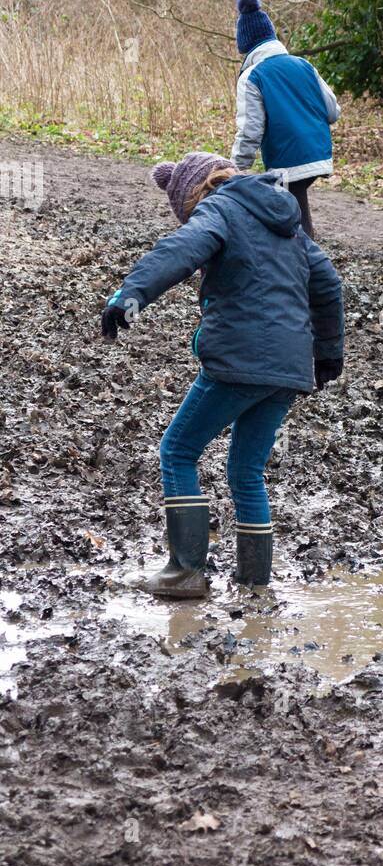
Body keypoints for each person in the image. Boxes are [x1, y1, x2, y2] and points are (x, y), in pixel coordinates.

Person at [100, 151, 344, 597]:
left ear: (194, 194)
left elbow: (182, 249)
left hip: (241, 359)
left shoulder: (218, 209)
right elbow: (328, 284)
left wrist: (128, 294)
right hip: (290, 368)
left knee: (177, 450)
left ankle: (185, 572)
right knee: (246, 469)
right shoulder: (289, 225)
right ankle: (253, 584)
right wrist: (328, 353)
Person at [230, 0, 341, 238]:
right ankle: (304, 261)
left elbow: (250, 129)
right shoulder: (304, 65)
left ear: (246, 45)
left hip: (287, 158)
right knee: (295, 209)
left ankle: (305, 266)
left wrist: (234, 168)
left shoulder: (252, 76)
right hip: (319, 152)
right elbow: (333, 111)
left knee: (287, 219)